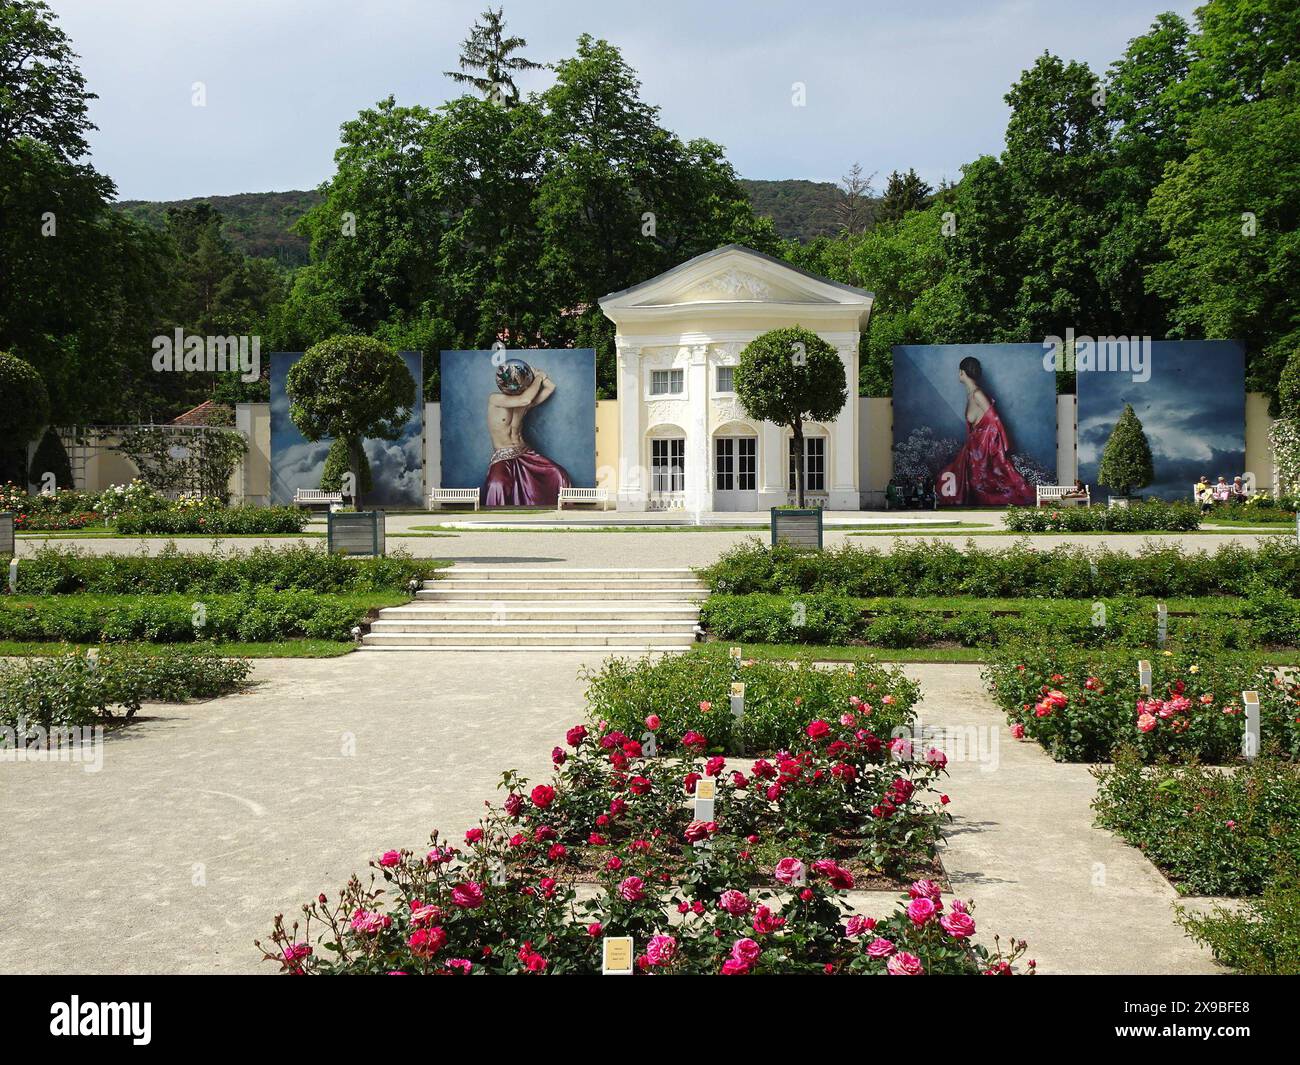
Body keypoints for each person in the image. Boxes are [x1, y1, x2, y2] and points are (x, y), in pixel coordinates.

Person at [937, 356, 1034, 506]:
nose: (958, 375)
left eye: (959, 372)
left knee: (983, 486)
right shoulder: (970, 395)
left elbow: (995, 420)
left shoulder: (977, 394)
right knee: (953, 476)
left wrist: (1000, 446)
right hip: (973, 448)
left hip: (982, 450)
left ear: (962, 372)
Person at [481, 360, 572, 506]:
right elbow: (525, 399)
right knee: (497, 484)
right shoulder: (495, 399)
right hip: (502, 456)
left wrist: (539, 374)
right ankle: (497, 518)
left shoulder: (524, 405)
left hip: (524, 452)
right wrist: (538, 378)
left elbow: (550, 387)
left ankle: (561, 510)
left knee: (558, 473)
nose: (515, 383)